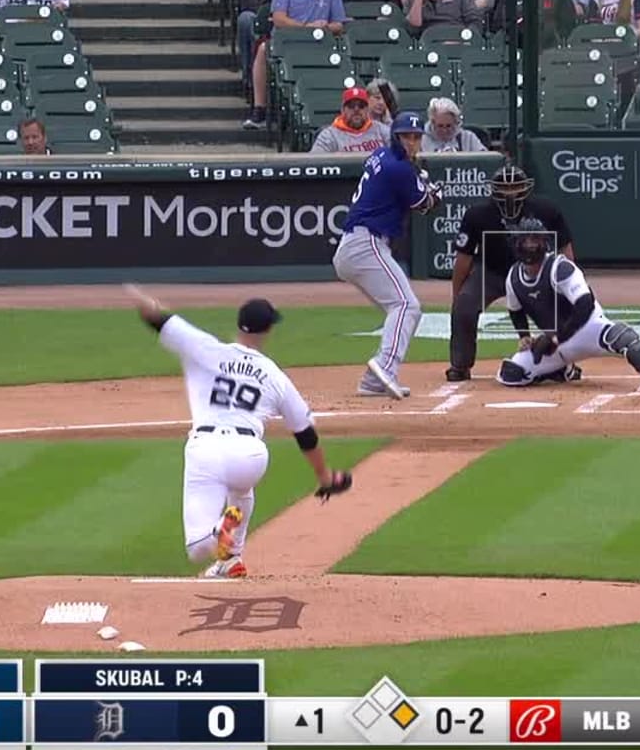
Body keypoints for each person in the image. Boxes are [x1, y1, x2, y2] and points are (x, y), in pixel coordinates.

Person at [124, 285, 353, 579]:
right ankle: (230, 560)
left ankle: (220, 532)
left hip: (206, 450)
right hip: (251, 457)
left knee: (197, 546)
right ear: (267, 330)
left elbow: (155, 317)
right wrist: (325, 477)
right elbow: (305, 434)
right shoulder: (274, 375)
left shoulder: (205, 348)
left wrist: (133, 292)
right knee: (242, 489)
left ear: (239, 325)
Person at [496, 218, 640, 391]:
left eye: (535, 240)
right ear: (516, 244)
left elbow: (584, 306)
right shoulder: (513, 277)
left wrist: (556, 338)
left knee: (622, 337)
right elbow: (515, 310)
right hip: (555, 345)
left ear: (544, 243)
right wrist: (524, 336)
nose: (530, 246)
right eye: (525, 241)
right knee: (511, 373)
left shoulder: (560, 268)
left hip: (587, 329)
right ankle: (561, 371)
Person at [331, 111, 440, 399]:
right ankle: (384, 368)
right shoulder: (399, 169)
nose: (412, 142)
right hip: (365, 243)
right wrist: (432, 194)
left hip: (358, 244)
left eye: (416, 137)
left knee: (400, 307)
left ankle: (373, 381)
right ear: (396, 136)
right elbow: (422, 204)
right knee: (407, 305)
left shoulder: (383, 156)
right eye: (406, 136)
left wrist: (418, 178)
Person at [447, 164, 574, 382]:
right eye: (504, 187)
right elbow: (463, 258)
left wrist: (568, 283)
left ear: (526, 188)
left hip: (536, 271)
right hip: (491, 271)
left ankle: (566, 362)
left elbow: (565, 248)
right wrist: (457, 295)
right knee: (465, 306)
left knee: (564, 310)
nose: (510, 192)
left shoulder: (547, 210)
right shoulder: (477, 214)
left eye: (515, 186)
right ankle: (460, 365)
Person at [235, 0, 297, 130]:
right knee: (245, 19)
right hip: (262, 19)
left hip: (292, 21)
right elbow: (247, 0)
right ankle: (249, 80)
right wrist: (268, 17)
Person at [310, 86, 388, 153]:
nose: (356, 110)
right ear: (343, 110)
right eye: (351, 106)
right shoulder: (329, 135)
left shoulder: (380, 129)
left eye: (361, 106)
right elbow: (314, 162)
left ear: (367, 109)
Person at [421, 96, 486, 153]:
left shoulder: (469, 138)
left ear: (456, 123)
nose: (444, 130)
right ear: (432, 123)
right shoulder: (421, 140)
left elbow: (486, 160)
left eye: (448, 126)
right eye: (440, 126)